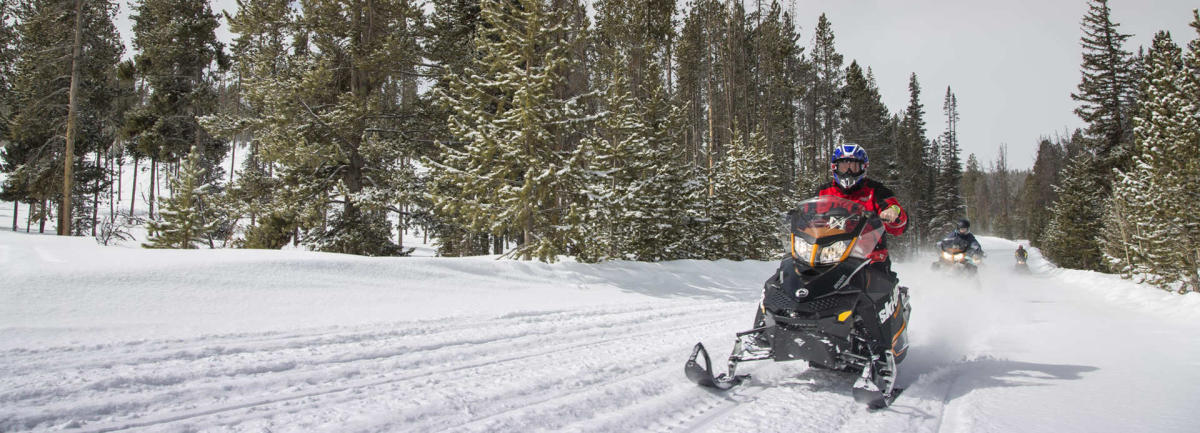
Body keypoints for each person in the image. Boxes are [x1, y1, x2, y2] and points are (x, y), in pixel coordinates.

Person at [814, 143, 909, 275]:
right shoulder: (823, 192)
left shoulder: (875, 190)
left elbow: (894, 211)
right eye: (844, 167)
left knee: (877, 285)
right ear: (835, 168)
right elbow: (809, 215)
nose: (848, 172)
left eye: (853, 167)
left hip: (869, 257)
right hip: (829, 255)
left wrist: (892, 212)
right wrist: (797, 217)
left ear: (863, 168)